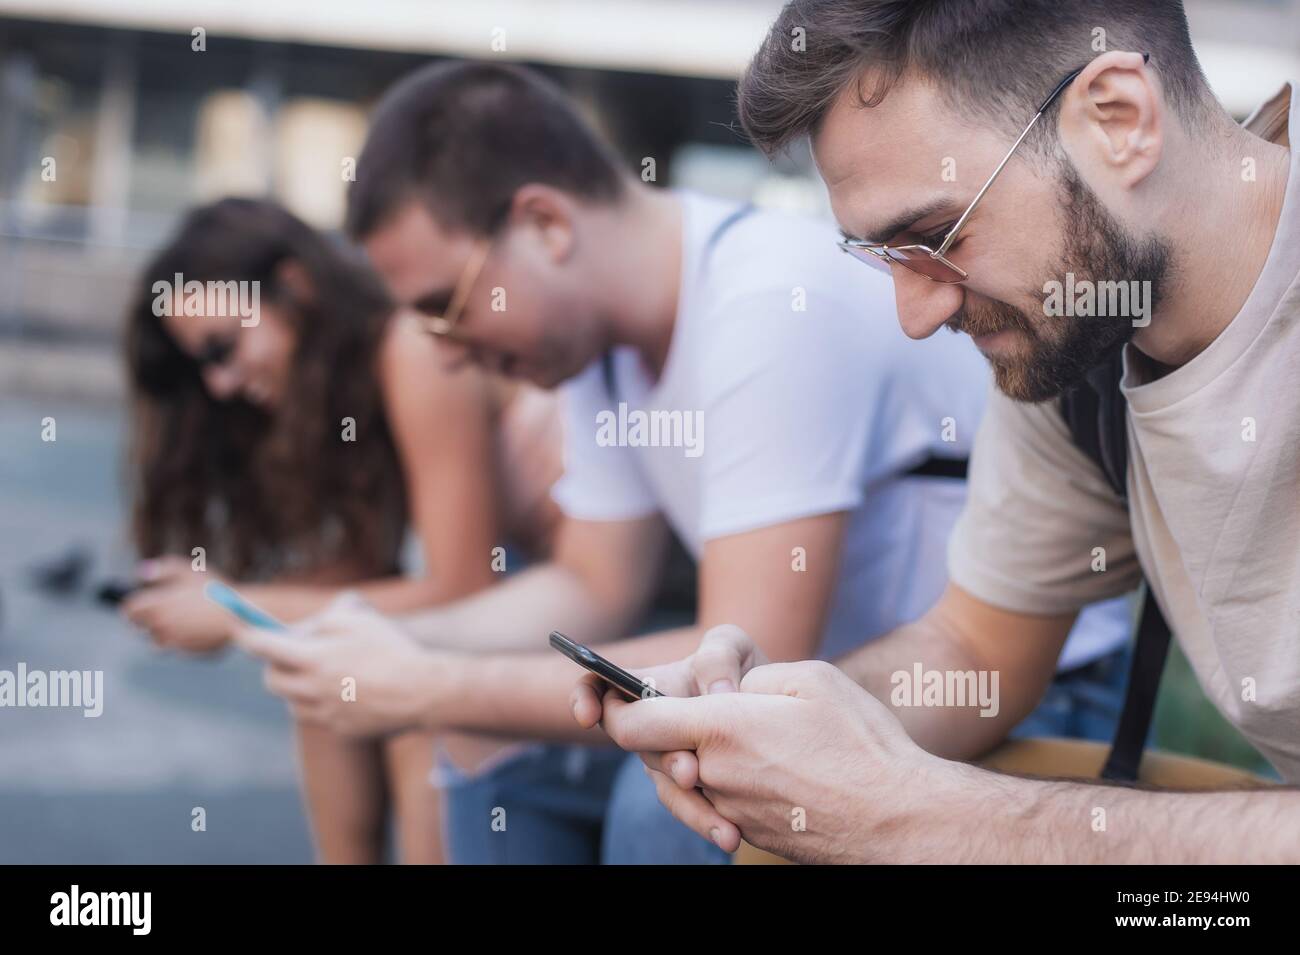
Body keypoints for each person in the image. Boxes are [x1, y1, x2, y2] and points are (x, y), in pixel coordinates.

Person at [234, 62, 1132, 864]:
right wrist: (378, 640)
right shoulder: (597, 346)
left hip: (1013, 694)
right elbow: (590, 586)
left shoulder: (766, 306)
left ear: (544, 225)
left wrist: (424, 681)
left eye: (445, 305)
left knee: (659, 805)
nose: (447, 351)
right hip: (832, 679)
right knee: (490, 745)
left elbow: (749, 654)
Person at [572, 0, 1300, 863]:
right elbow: (979, 650)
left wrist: (928, 818)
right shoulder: (1083, 354)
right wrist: (772, 710)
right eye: (884, 255)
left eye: (935, 236)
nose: (916, 315)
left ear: (1119, 120)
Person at [121, 197, 561, 863]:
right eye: (202, 366)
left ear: (294, 287)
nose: (217, 385)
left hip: (610, 611)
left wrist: (233, 609)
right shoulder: (344, 388)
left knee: (409, 698)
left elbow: (467, 589)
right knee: (328, 665)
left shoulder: (411, 347)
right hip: (536, 612)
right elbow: (362, 585)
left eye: (224, 347)